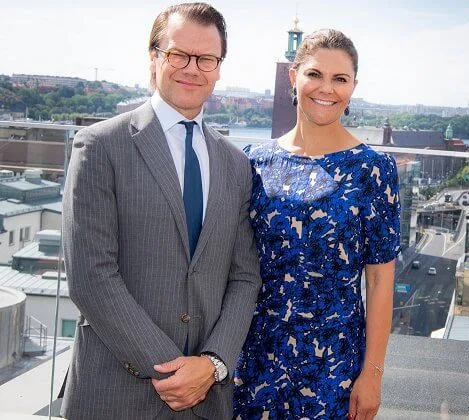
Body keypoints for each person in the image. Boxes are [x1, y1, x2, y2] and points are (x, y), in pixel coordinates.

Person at [61, 3, 261, 419]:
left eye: (206, 58)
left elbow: (244, 277)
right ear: (153, 57)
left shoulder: (235, 163)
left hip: (208, 399)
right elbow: (91, 276)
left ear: (219, 67)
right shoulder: (100, 146)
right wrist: (175, 372)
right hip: (114, 395)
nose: (192, 67)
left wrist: (212, 365)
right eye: (177, 54)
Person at [233, 29, 400, 419]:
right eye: (315, 75)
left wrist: (372, 375)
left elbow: (379, 282)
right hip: (255, 355)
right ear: (294, 77)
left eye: (340, 79)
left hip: (334, 363)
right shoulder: (254, 162)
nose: (326, 88)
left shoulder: (374, 171)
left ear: (353, 87)